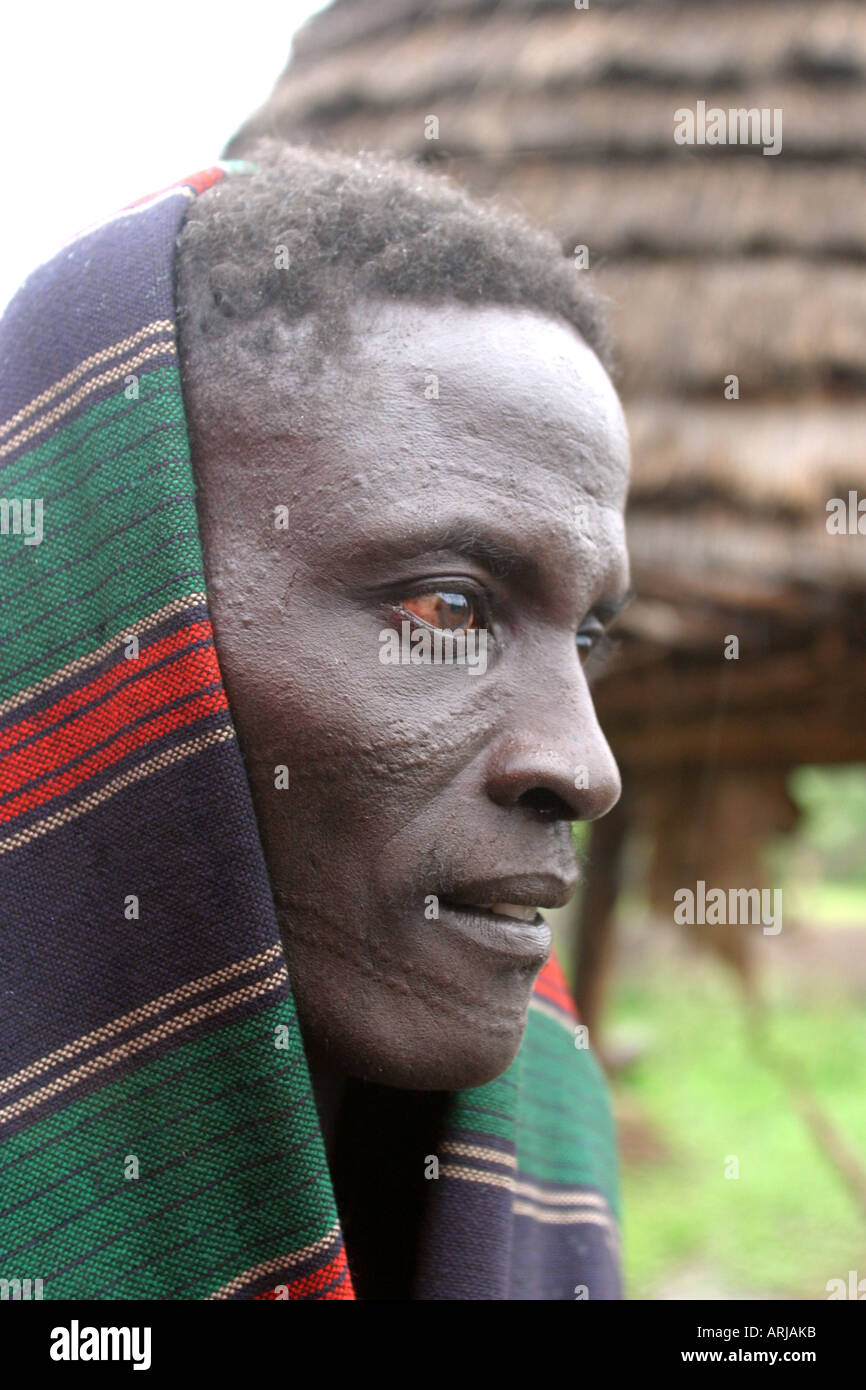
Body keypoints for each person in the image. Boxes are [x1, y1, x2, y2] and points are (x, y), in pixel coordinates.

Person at [0, 145, 630, 1300]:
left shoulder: (547, 1148)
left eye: (588, 636)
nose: (586, 768)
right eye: (450, 608)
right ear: (125, 617)